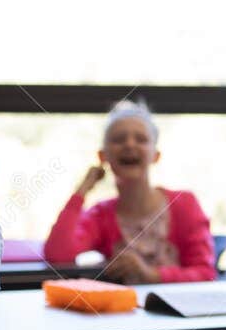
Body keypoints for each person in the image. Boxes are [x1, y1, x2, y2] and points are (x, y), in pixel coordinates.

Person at [43, 99, 217, 284]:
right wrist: (82, 190)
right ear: (103, 156)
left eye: (141, 139)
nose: (129, 145)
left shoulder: (184, 204)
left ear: (155, 155)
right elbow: (58, 255)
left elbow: (206, 274)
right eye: (118, 139)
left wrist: (151, 275)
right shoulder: (100, 215)